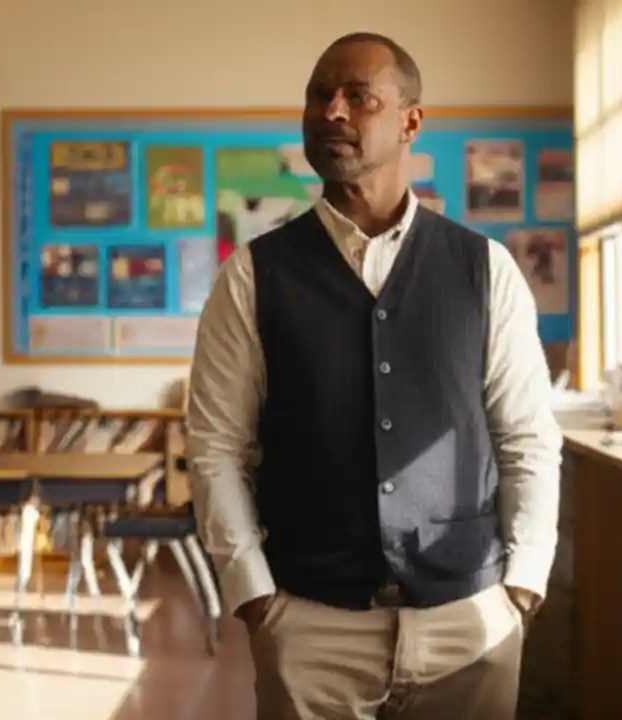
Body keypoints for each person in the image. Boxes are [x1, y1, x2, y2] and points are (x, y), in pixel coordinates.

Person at [187, 31, 563, 720]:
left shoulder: (485, 271)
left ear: (410, 121)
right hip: (310, 627)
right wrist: (256, 599)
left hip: (468, 623)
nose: (331, 112)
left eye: (358, 97)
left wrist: (522, 588)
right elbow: (216, 447)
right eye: (317, 96)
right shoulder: (253, 275)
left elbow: (527, 437)